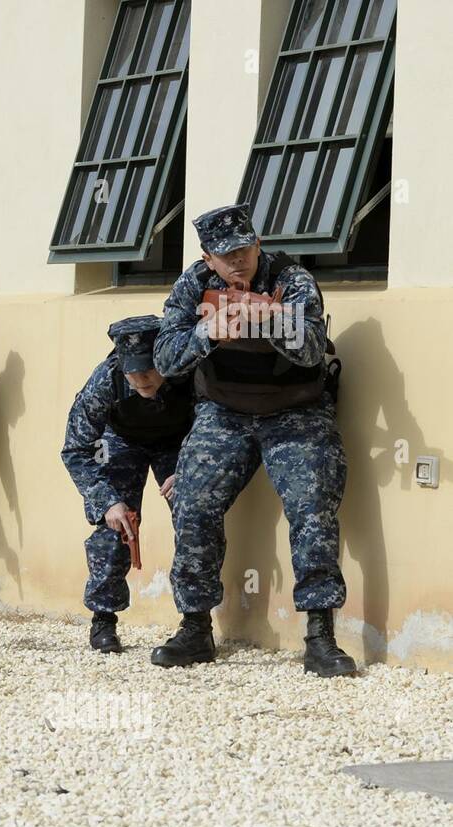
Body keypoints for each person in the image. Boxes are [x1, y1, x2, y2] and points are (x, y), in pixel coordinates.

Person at [151, 203, 354, 677]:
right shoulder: (192, 285)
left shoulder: (292, 278)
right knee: (193, 503)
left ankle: (320, 635)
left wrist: (266, 316)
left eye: (244, 249)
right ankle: (195, 627)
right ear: (208, 259)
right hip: (224, 411)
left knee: (312, 507)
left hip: (296, 411)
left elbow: (310, 349)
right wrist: (208, 332)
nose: (238, 260)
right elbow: (164, 358)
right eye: (226, 255)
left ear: (258, 244)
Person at [61, 316, 194, 651]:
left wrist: (192, 469)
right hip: (121, 440)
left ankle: (196, 622)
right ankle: (103, 620)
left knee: (195, 517)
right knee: (114, 524)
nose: (140, 377)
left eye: (148, 368)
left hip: (181, 443)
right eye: (132, 370)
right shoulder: (105, 380)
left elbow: (215, 424)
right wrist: (106, 500)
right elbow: (75, 449)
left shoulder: (189, 371)